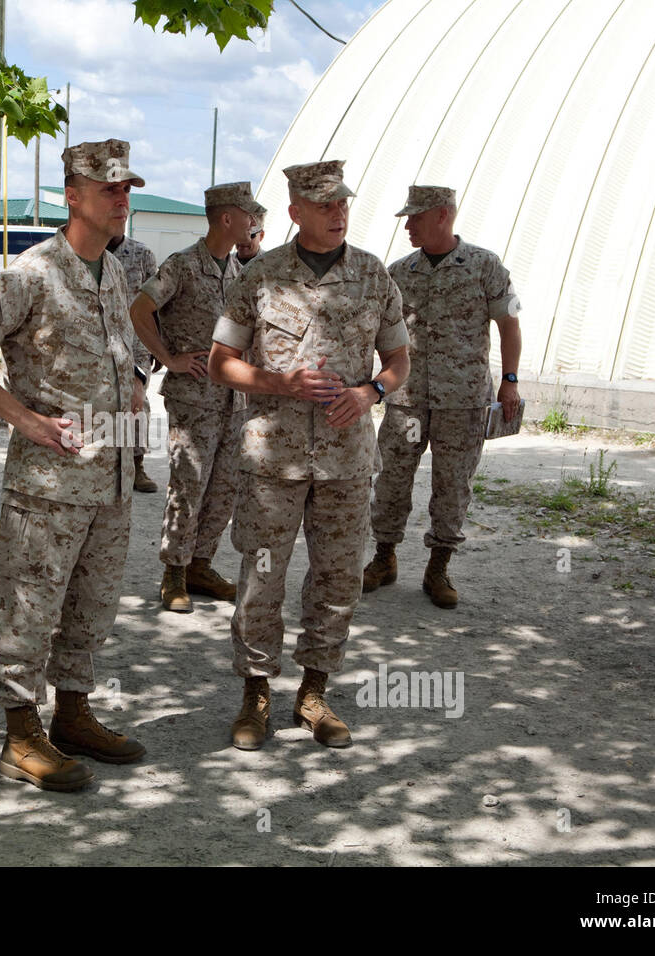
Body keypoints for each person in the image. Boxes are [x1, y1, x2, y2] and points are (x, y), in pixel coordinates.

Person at [0, 139, 150, 792]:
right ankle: (21, 735)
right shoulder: (32, 273)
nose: (122, 200)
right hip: (49, 485)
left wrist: (133, 385)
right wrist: (23, 419)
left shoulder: (112, 272)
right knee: (29, 607)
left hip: (109, 479)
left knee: (91, 606)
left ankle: (74, 713)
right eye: (109, 189)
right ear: (74, 196)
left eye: (126, 188)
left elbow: (116, 352)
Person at [209, 160, 410, 751]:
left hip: (347, 460)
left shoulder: (374, 275)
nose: (337, 213)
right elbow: (222, 362)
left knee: (337, 577)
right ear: (295, 212)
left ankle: (314, 694)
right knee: (261, 579)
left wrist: (370, 390)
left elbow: (399, 360)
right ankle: (256, 694)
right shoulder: (260, 276)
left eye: (342, 203)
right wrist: (281, 384)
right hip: (274, 459)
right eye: (324, 205)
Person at [362, 185, 522, 608]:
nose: (408, 226)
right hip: (407, 399)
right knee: (392, 480)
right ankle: (384, 557)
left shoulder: (484, 265)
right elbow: (376, 331)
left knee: (453, 486)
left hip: (463, 399)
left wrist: (510, 380)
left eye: (416, 217)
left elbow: (509, 324)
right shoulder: (397, 271)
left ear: (443, 216)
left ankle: (438, 567)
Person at [130, 181, 261, 613]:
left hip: (233, 400)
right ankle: (174, 573)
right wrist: (167, 356)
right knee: (189, 484)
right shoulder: (182, 266)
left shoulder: (239, 272)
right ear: (227, 218)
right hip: (194, 398)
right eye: (248, 214)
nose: (253, 223)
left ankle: (201, 563)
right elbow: (139, 310)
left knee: (224, 486)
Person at [106, 230, 159, 493]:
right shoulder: (90, 251)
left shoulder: (142, 254)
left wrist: (159, 344)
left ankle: (136, 465)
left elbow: (158, 302)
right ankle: (105, 463)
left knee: (137, 402)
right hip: (99, 338)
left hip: (136, 340)